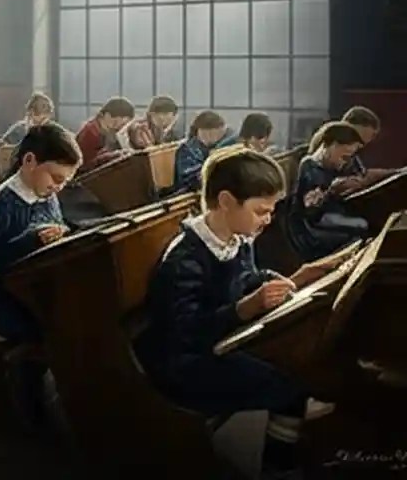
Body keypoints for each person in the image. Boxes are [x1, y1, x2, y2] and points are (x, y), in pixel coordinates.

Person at [137, 147, 341, 476]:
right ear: (228, 201)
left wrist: (278, 281)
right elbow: (186, 332)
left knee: (294, 369)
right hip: (184, 363)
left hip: (221, 341)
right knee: (287, 388)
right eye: (262, 210)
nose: (269, 219)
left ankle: (284, 445)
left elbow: (247, 276)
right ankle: (277, 467)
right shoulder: (185, 259)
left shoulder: (237, 236)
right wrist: (244, 309)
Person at [0, 122, 81, 429]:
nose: (59, 187)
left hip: (31, 287)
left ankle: (68, 399)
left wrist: (62, 234)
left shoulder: (47, 194)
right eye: (56, 177)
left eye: (66, 182)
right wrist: (34, 240)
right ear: (29, 161)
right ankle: (30, 407)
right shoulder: (2, 204)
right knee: (46, 327)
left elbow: (58, 224)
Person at [287, 122, 369, 263]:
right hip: (312, 223)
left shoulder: (341, 165)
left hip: (334, 214)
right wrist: (331, 191)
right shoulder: (310, 166)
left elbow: (361, 174)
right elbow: (310, 210)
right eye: (344, 157)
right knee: (361, 226)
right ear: (330, 146)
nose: (345, 163)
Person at [173, 111, 229, 193]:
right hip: (189, 193)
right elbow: (190, 179)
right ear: (203, 132)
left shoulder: (217, 146)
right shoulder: (187, 150)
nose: (219, 138)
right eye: (217, 133)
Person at [76, 97, 134, 171]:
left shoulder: (104, 131)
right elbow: (87, 163)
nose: (120, 127)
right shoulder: (91, 132)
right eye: (118, 122)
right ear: (108, 115)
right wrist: (114, 155)